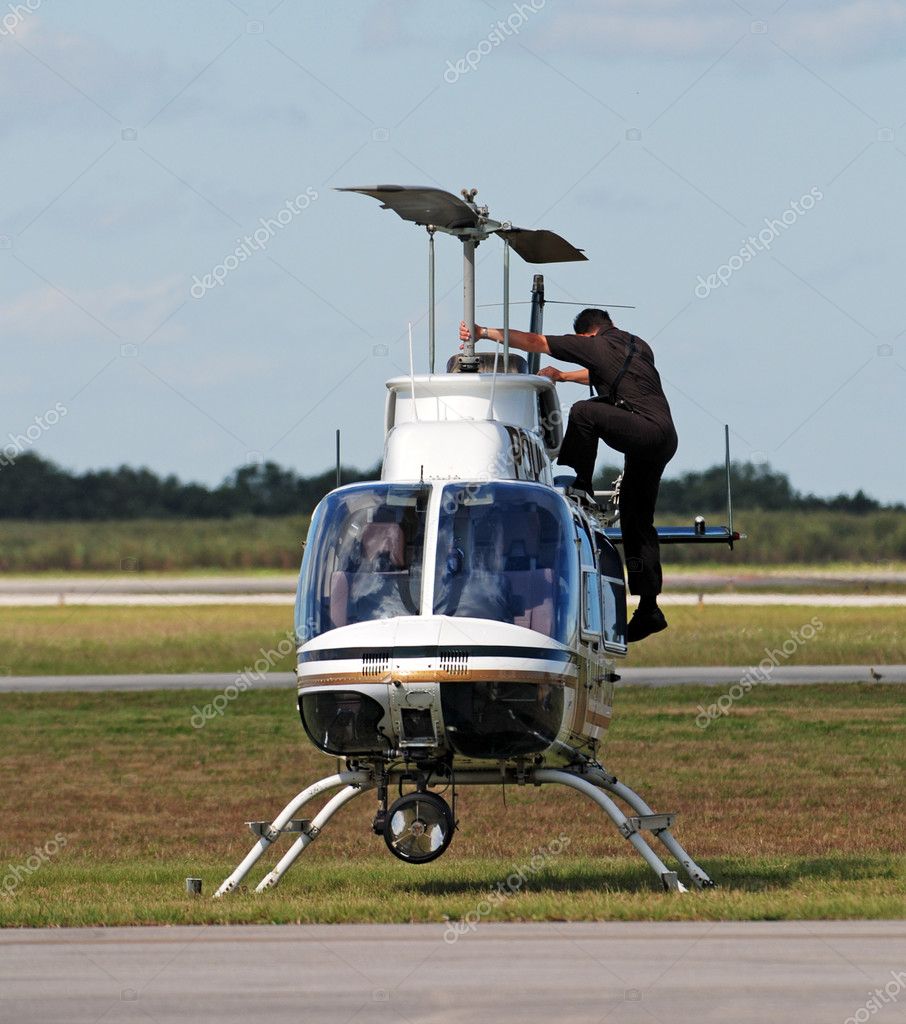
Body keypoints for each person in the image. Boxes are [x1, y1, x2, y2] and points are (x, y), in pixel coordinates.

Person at [459, 310, 676, 642]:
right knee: (636, 520)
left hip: (642, 431)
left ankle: (582, 484)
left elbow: (536, 342)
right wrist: (563, 376)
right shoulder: (637, 345)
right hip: (663, 438)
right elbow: (601, 374)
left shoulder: (594, 345)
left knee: (584, 412)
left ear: (587, 336)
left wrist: (483, 331)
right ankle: (649, 608)